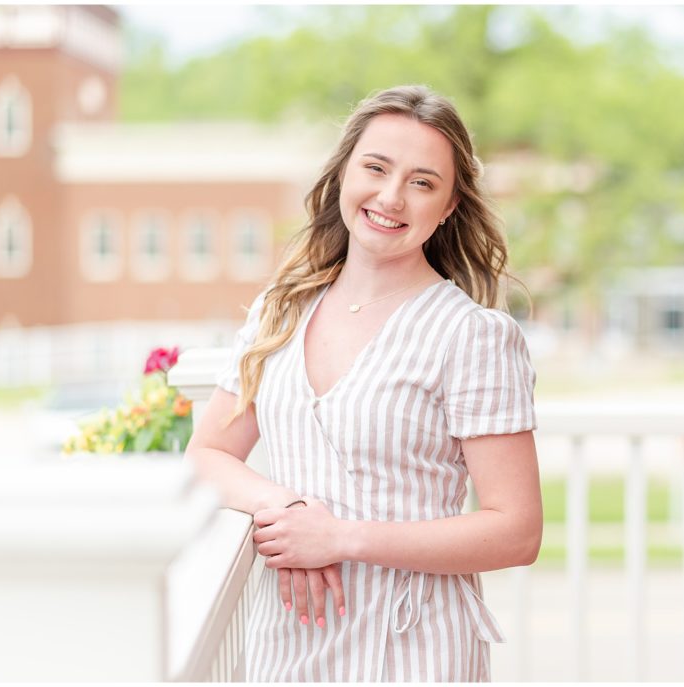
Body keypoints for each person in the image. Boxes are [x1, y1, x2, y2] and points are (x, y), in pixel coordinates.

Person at [185, 84, 542, 682]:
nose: (391, 196)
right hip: (291, 643)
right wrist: (285, 507)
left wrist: (342, 539)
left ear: (449, 206)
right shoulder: (281, 309)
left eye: (423, 182)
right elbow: (208, 454)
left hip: (415, 649)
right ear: (344, 173)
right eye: (375, 168)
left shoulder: (473, 336)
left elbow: (516, 530)